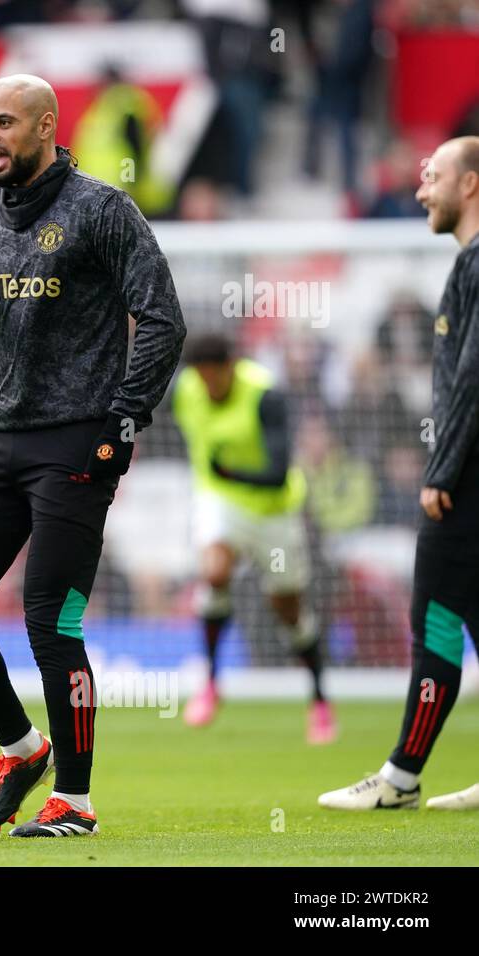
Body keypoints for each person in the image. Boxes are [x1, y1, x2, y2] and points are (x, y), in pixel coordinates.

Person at [0, 75, 184, 838]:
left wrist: (123, 424)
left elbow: (162, 320)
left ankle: (75, 798)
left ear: (46, 124)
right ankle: (20, 747)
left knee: (49, 621)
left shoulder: (102, 208)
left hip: (77, 441)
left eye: (5, 122)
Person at [320, 136, 479, 812]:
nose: (421, 190)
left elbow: (473, 375)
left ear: (470, 185)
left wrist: (442, 470)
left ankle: (401, 779)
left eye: (432, 177)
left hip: (467, 477)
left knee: (435, 617)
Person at [172, 334, 335, 743]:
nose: (208, 387)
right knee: (214, 572)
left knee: (288, 608)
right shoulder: (185, 390)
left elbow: (278, 473)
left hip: (273, 510)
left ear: (231, 368)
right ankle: (210, 683)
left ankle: (319, 700)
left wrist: (231, 473)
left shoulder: (265, 396)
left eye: (215, 379)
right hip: (220, 502)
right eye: (202, 379)